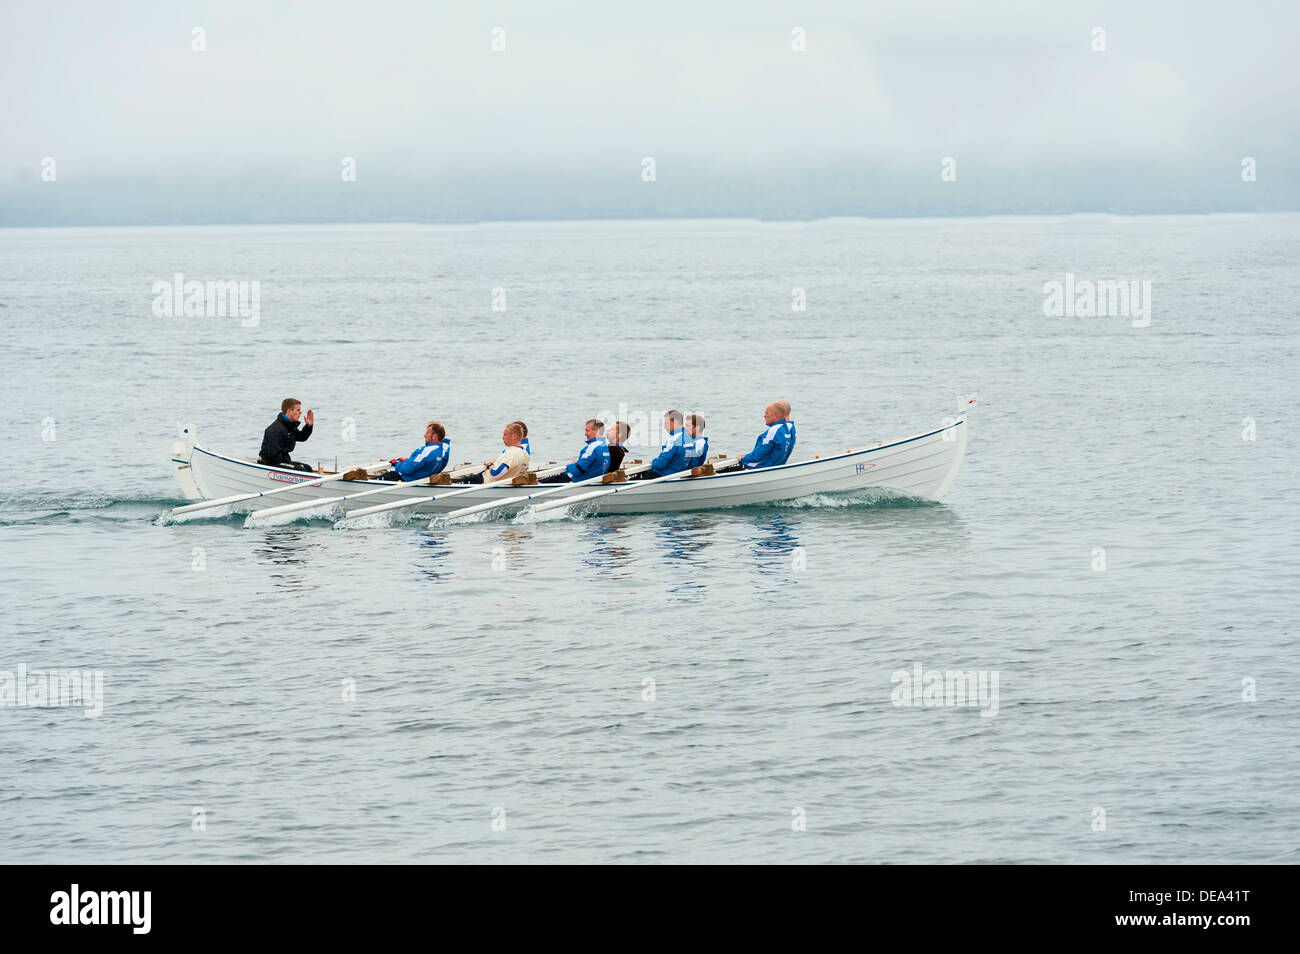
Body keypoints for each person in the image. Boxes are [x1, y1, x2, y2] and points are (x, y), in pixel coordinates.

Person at [372, 421, 450, 482]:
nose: (424, 435)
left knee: (390, 475)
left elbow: (407, 468)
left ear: (435, 436)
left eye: (427, 433)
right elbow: (423, 462)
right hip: (422, 479)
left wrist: (396, 464)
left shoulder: (427, 451)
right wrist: (407, 460)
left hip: (407, 479)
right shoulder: (444, 450)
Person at [540, 419, 610, 483]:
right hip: (591, 480)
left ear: (597, 431)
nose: (585, 434)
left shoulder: (592, 447)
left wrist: (568, 466)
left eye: (587, 430)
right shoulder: (605, 446)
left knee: (539, 482)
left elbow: (578, 470)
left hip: (575, 480)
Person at [465, 422, 531, 484]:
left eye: (505, 435)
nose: (502, 438)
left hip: (486, 481)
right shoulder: (525, 454)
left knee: (461, 480)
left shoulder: (511, 453)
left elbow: (497, 473)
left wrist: (490, 465)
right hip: (501, 479)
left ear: (514, 437)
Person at [259, 398, 315, 470]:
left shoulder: (289, 426)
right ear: (289, 411)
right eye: (298, 410)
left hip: (282, 461)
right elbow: (273, 456)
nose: (300, 412)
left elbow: (302, 437)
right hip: (270, 463)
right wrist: (289, 465)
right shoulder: (276, 430)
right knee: (301, 469)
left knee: (307, 468)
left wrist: (309, 426)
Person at [739, 401, 797, 469]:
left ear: (775, 415)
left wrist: (742, 458)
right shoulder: (789, 429)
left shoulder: (774, 430)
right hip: (775, 466)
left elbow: (758, 455)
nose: (764, 416)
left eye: (766, 413)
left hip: (758, 468)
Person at [631, 410, 687, 479]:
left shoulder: (673, 440)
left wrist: (654, 461)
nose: (664, 426)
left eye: (666, 423)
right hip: (682, 473)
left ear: (675, 422)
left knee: (635, 477)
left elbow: (660, 464)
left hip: (666, 475)